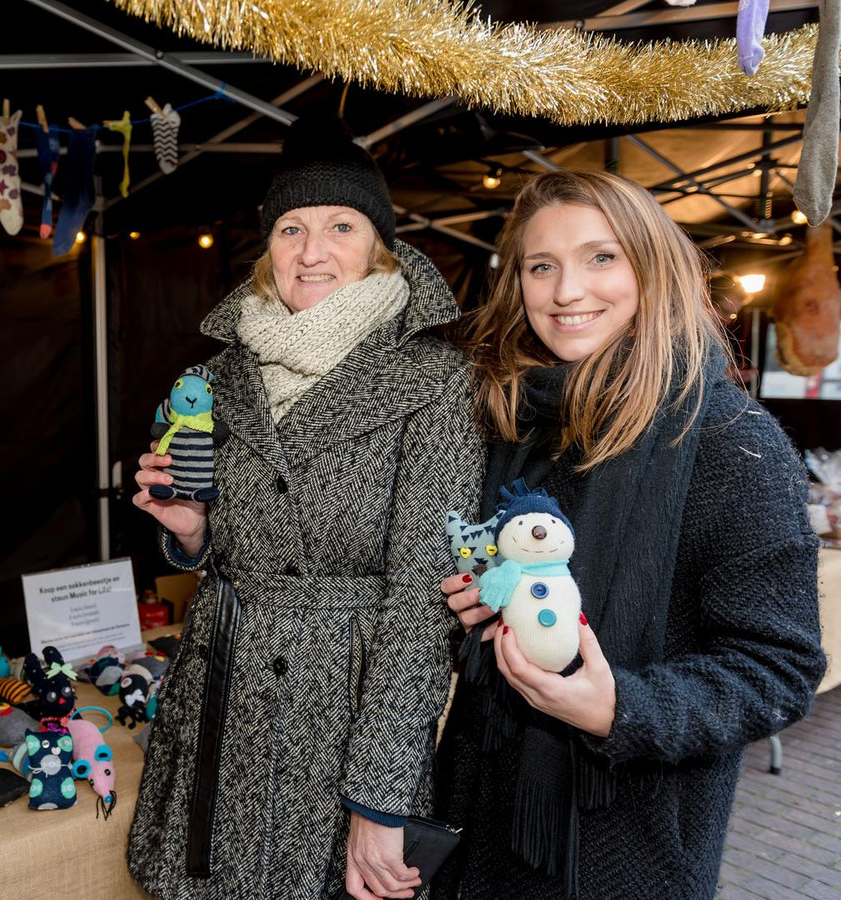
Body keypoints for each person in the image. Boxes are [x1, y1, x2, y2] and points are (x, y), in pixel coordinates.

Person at [436, 170, 826, 899]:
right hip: (481, 822)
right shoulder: (512, 424)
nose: (565, 292)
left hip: (629, 847)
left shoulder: (730, 442)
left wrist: (619, 707)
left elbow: (778, 669)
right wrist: (475, 605)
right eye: (540, 265)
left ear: (652, 268)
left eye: (600, 258)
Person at [126, 113, 482, 900]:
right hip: (222, 692)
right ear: (267, 250)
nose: (311, 251)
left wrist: (379, 796)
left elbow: (422, 606)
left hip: (347, 711)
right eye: (290, 228)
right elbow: (233, 542)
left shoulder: (433, 382)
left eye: (339, 226)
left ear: (378, 248)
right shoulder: (218, 378)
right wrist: (192, 533)